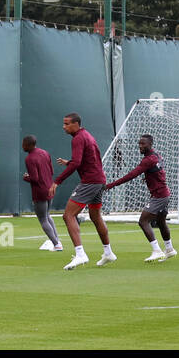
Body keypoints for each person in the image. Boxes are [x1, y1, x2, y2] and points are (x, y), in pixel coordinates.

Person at [48, 113, 114, 271]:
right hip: (99, 181)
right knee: (95, 216)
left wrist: (57, 181)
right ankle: (108, 252)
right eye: (63, 124)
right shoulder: (87, 135)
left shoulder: (77, 138)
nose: (64, 127)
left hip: (90, 182)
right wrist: (69, 163)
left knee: (68, 215)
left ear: (76, 124)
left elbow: (77, 162)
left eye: (67, 124)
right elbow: (87, 159)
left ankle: (80, 254)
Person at [103, 134, 176, 262]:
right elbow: (159, 171)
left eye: (143, 144)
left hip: (159, 196)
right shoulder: (157, 155)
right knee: (160, 221)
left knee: (143, 221)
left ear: (150, 144)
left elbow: (131, 175)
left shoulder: (148, 160)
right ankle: (169, 249)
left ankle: (157, 250)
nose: (140, 146)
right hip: (164, 194)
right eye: (139, 144)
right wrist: (148, 177)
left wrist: (111, 185)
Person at [21, 135, 62, 251]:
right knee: (48, 215)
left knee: (43, 219)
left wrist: (26, 178)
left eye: (24, 144)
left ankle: (57, 244)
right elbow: (52, 171)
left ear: (28, 145)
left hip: (40, 191)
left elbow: (35, 178)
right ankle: (57, 241)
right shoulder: (45, 153)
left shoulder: (29, 159)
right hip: (50, 188)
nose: (22, 146)